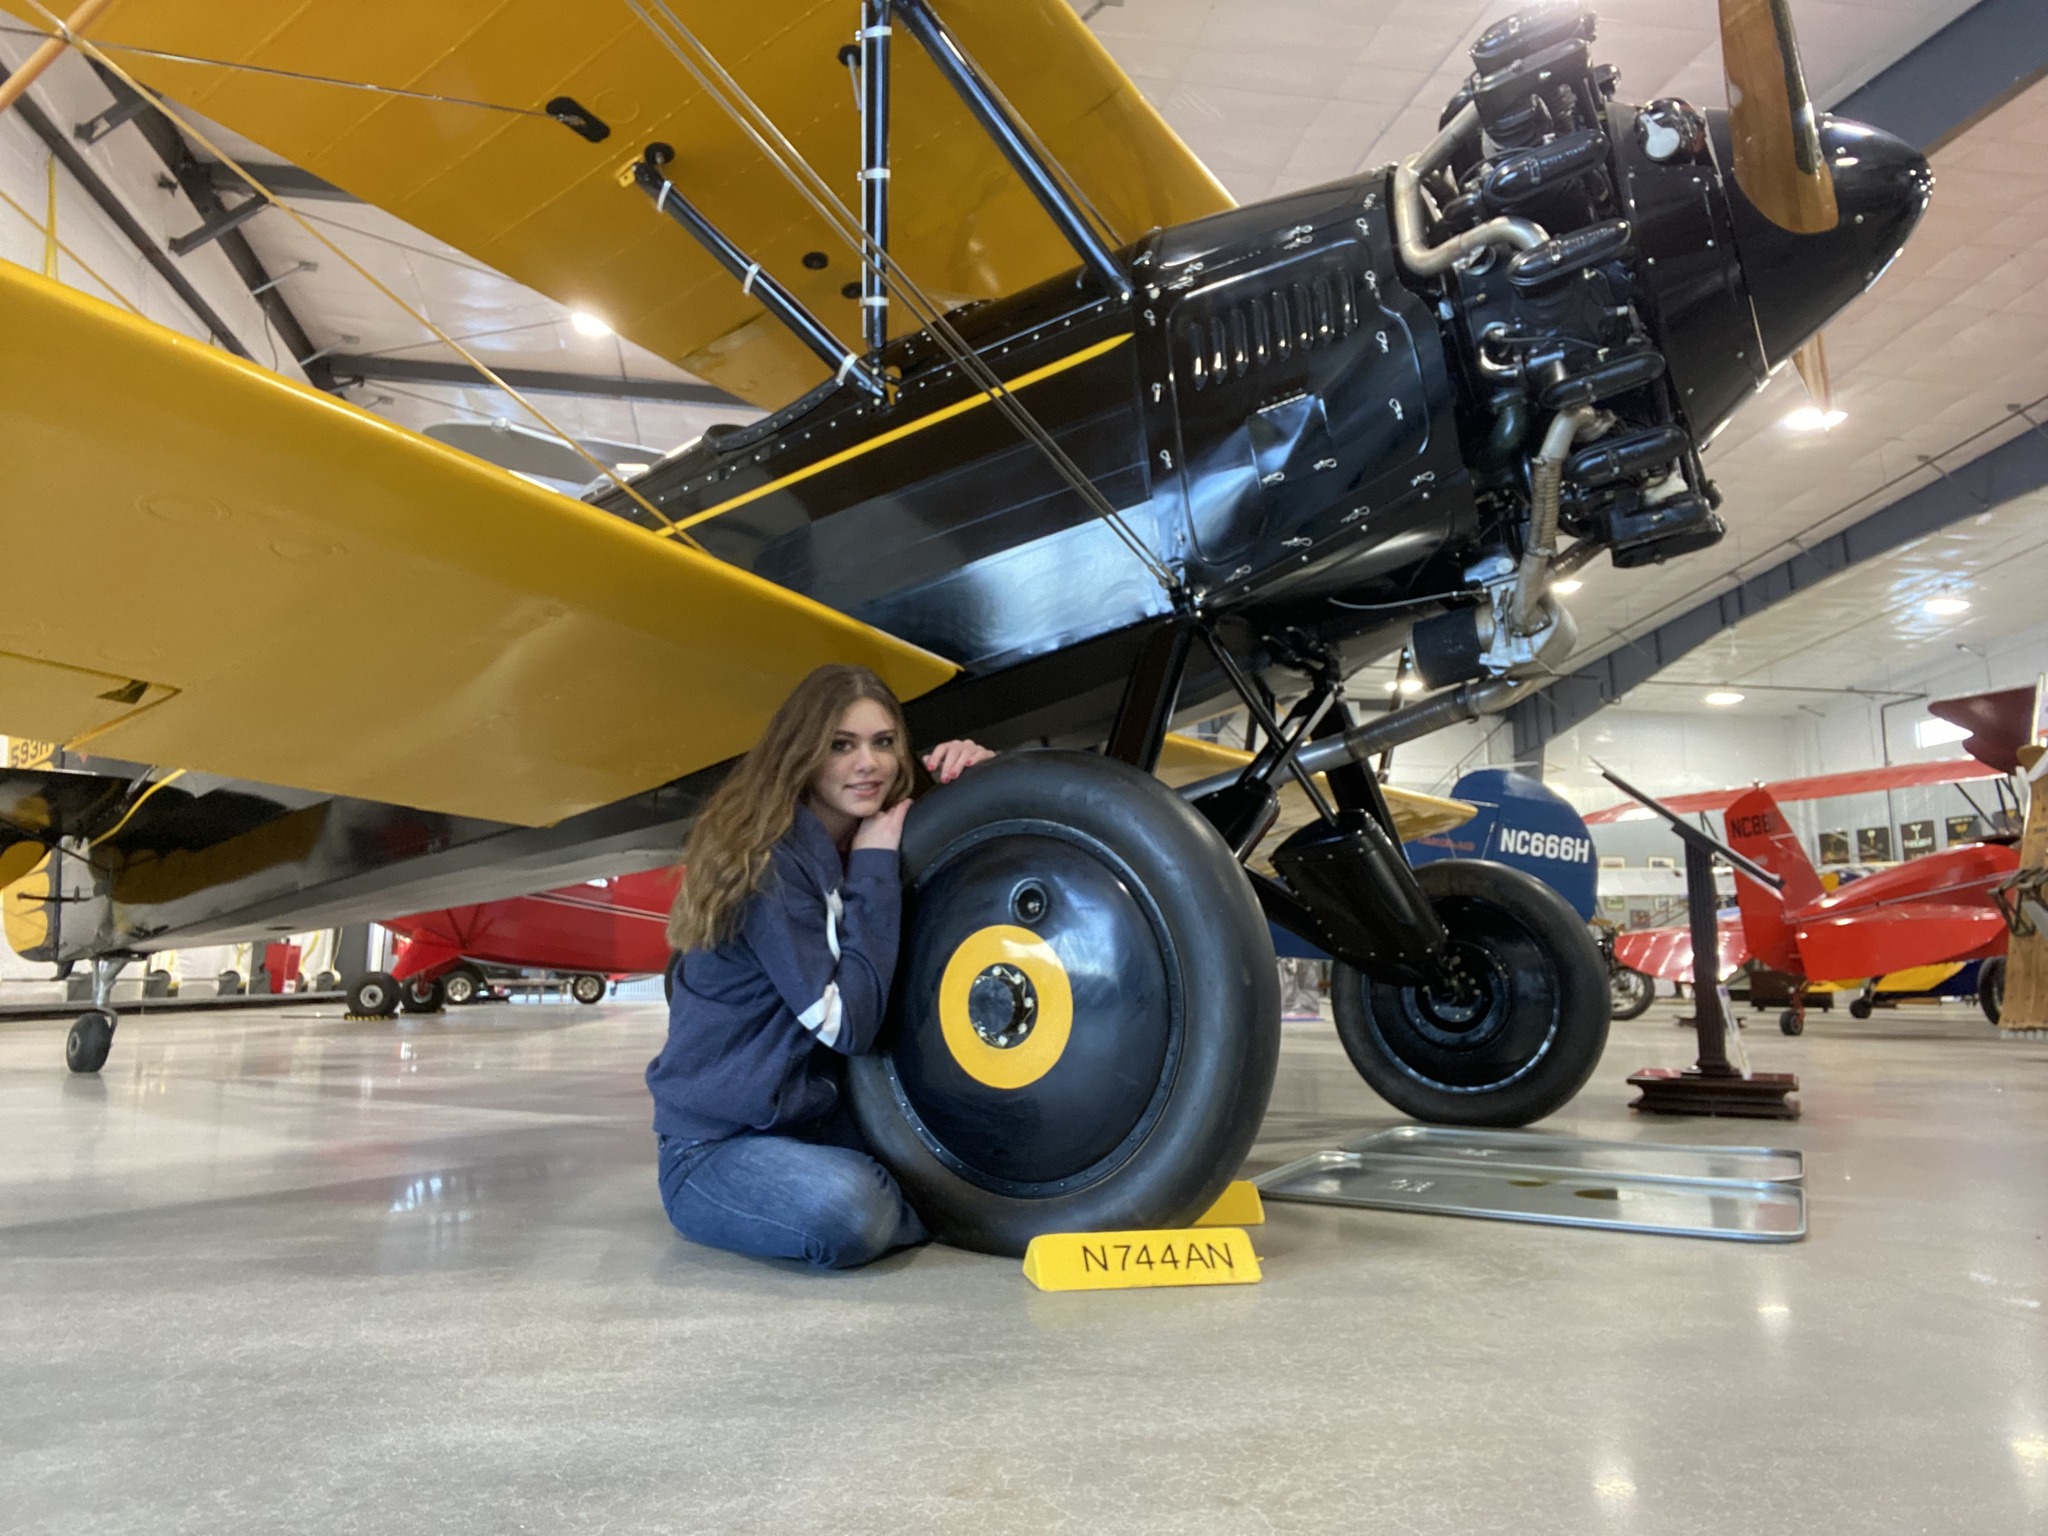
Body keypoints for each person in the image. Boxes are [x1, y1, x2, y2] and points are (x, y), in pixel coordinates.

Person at [647, 663, 993, 1269]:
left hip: (820, 1127)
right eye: (841, 745)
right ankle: (921, 1201)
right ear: (801, 754)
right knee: (849, 1212)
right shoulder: (770, 864)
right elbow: (847, 1025)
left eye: (883, 743)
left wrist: (978, 776)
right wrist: (875, 870)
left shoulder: (860, 834)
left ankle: (912, 1192)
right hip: (717, 1149)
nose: (869, 763)